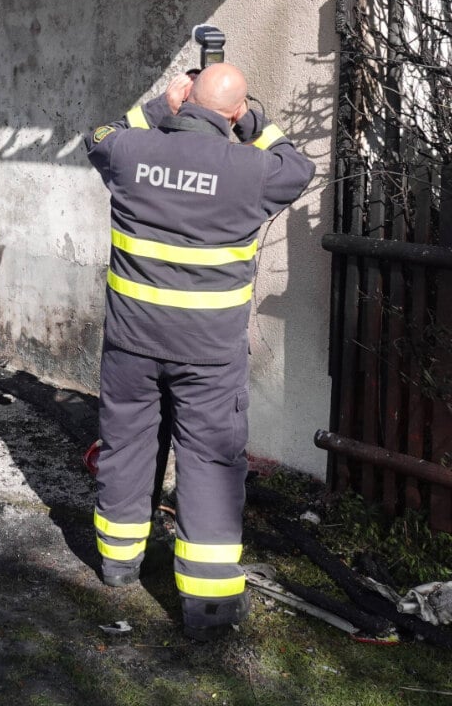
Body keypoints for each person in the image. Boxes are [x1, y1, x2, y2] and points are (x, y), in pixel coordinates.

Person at [83, 63, 315, 641]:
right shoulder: (254, 170)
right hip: (209, 353)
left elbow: (99, 137)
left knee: (128, 444)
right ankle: (208, 607)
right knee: (210, 460)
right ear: (232, 112)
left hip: (133, 342)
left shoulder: (132, 152)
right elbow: (300, 167)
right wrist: (253, 118)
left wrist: (163, 105)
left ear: (185, 102)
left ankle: (118, 563)